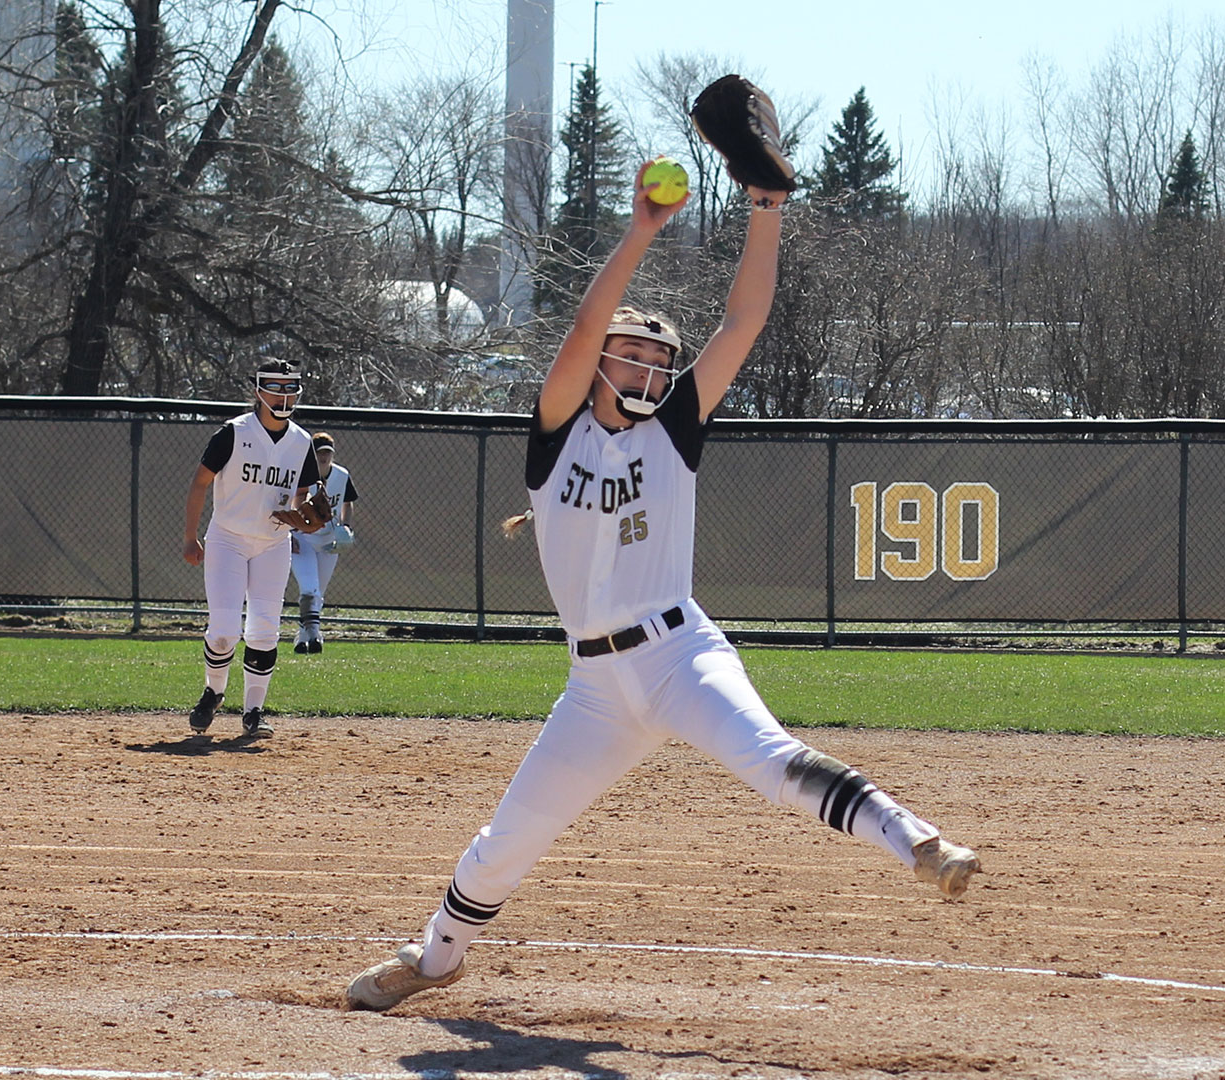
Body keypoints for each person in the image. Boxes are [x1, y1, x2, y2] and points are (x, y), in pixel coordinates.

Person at [345, 163, 981, 1013]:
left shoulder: (673, 433)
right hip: (595, 690)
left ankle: (920, 843)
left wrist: (766, 209)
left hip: (681, 655)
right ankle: (432, 961)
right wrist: (641, 228)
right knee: (509, 839)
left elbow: (744, 317)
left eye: (657, 362)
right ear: (602, 361)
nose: (648, 372)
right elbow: (579, 331)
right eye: (631, 356)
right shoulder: (555, 439)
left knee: (773, 762)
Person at [181, 359, 324, 739]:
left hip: (273, 543)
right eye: (276, 387)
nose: (284, 395)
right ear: (258, 391)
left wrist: (299, 512)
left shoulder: (301, 441)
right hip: (227, 538)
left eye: (290, 388)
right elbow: (199, 483)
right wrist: (190, 536)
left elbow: (302, 491)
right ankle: (213, 692)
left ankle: (254, 711)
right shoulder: (234, 432)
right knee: (225, 628)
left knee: (264, 630)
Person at [291, 431, 359, 653]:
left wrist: (345, 526)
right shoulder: (300, 474)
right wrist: (290, 533)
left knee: (318, 592)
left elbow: (348, 502)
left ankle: (303, 639)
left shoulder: (341, 475)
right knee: (309, 587)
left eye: (328, 453)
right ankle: (314, 634)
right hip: (303, 538)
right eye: (320, 453)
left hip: (329, 541)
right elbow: (289, 503)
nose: (324, 458)